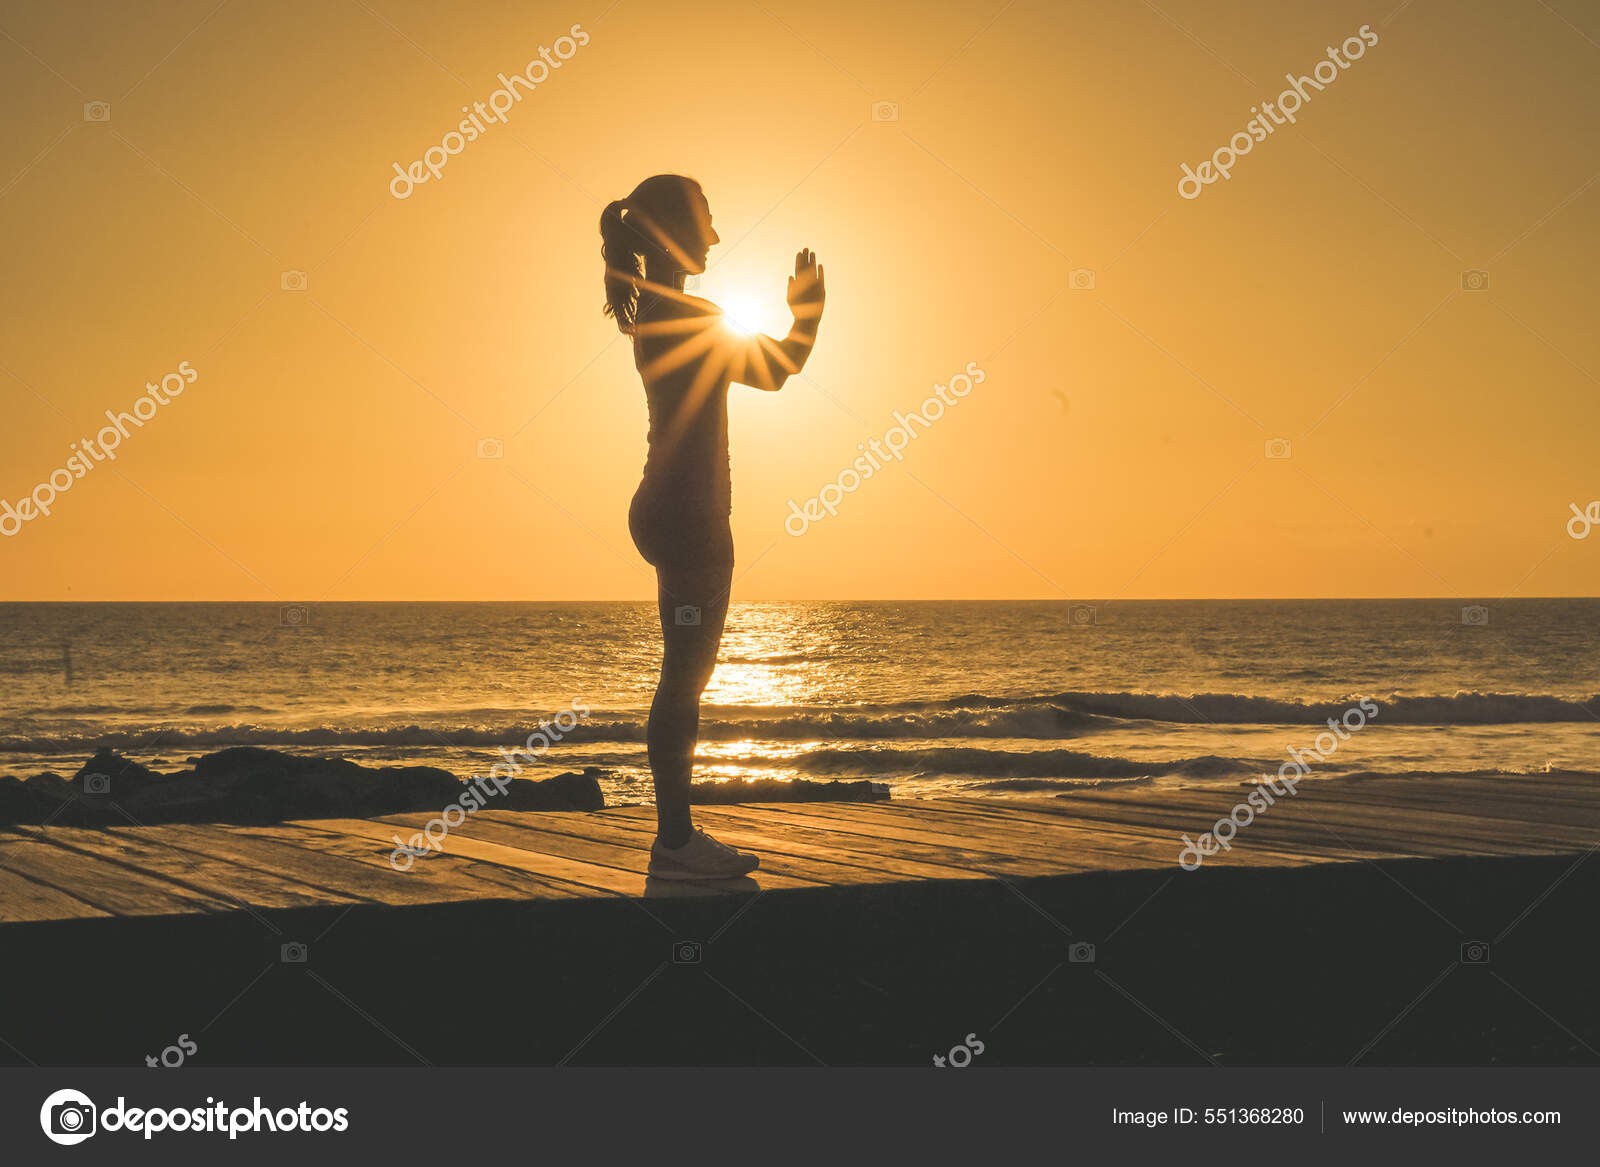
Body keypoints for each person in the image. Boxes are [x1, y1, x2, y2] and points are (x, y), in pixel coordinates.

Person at [599, 174, 825, 879]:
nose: (717, 236)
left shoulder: (655, 310)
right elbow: (779, 369)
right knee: (684, 681)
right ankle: (675, 843)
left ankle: (677, 838)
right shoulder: (688, 314)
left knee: (683, 677)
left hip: (669, 510)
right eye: (705, 220)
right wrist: (808, 313)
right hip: (689, 517)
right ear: (673, 230)